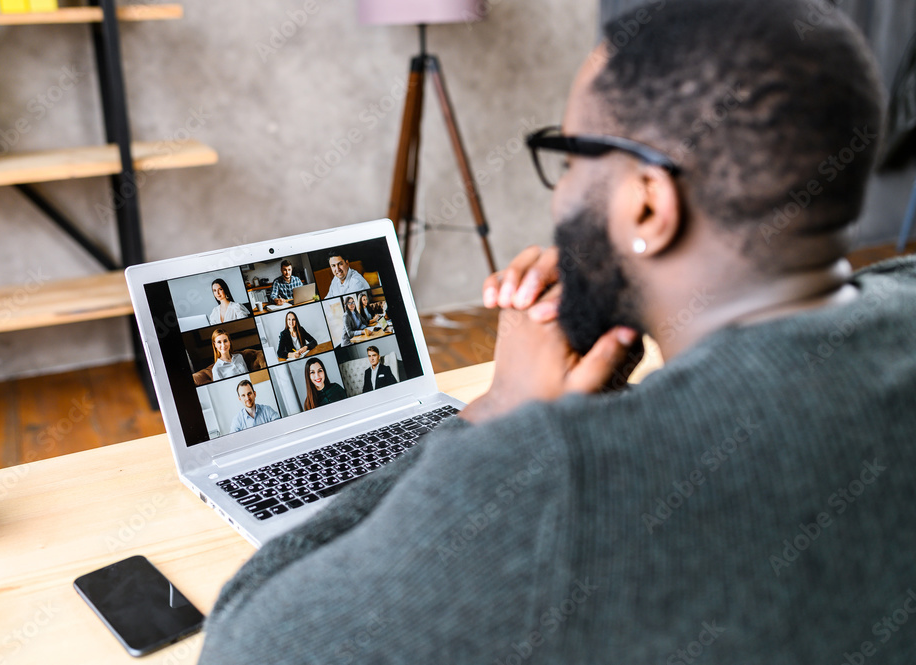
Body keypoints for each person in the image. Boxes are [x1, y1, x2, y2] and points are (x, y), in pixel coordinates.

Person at [199, 2, 916, 663]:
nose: (565, 191)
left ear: (645, 205)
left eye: (574, 160)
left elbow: (250, 644)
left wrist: (499, 415)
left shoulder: (567, 484)